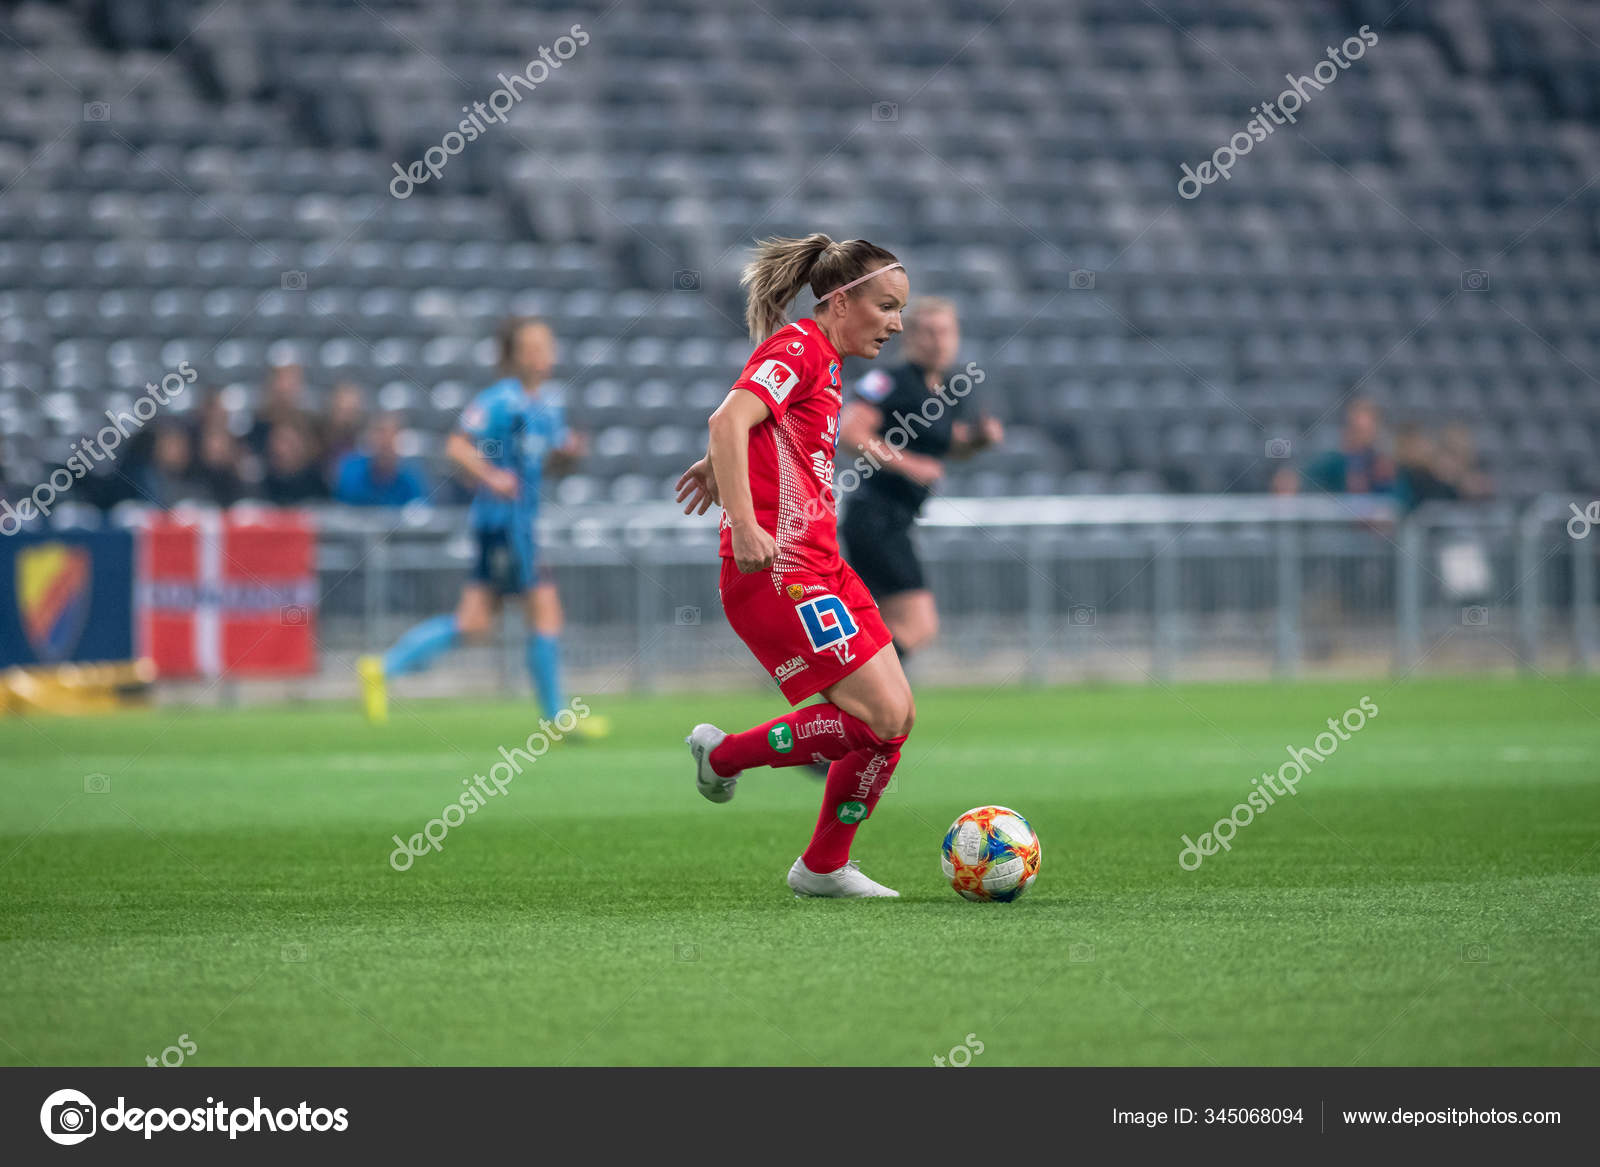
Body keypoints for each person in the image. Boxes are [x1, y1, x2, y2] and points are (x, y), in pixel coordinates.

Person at [674, 234, 915, 899]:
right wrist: (746, 522)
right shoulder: (801, 347)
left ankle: (823, 867)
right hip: (777, 568)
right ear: (841, 300)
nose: (897, 324)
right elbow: (729, 419)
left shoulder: (830, 361)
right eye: (887, 307)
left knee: (894, 723)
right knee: (876, 718)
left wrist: (728, 457)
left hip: (822, 561)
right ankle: (723, 755)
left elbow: (754, 430)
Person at [357, 318, 606, 738]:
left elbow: (551, 464)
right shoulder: (499, 401)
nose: (542, 354)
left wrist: (569, 454)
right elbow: (455, 445)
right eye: (532, 347)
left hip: (520, 524)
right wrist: (491, 477)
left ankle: (382, 670)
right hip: (503, 524)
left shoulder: (549, 404)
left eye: (546, 345)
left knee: (474, 622)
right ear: (513, 354)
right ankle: (555, 719)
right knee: (544, 611)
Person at [836, 296, 1002, 659]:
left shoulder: (944, 389)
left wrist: (977, 440)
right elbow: (850, 432)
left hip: (897, 520)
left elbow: (947, 446)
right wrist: (909, 464)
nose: (937, 340)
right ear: (909, 337)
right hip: (873, 516)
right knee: (918, 624)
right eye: (928, 332)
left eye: (944, 331)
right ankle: (860, 691)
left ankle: (865, 702)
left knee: (885, 627)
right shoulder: (889, 380)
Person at [1302, 398, 1395, 496]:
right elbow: (1311, 492)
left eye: (1366, 431)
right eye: (1356, 430)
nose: (1360, 437)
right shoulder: (1327, 464)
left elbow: (1396, 500)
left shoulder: (1382, 466)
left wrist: (1384, 482)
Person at [333, 413, 427, 507]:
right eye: (380, 435)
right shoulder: (351, 470)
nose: (385, 441)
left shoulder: (411, 478)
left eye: (390, 438)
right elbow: (340, 508)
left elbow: (419, 511)